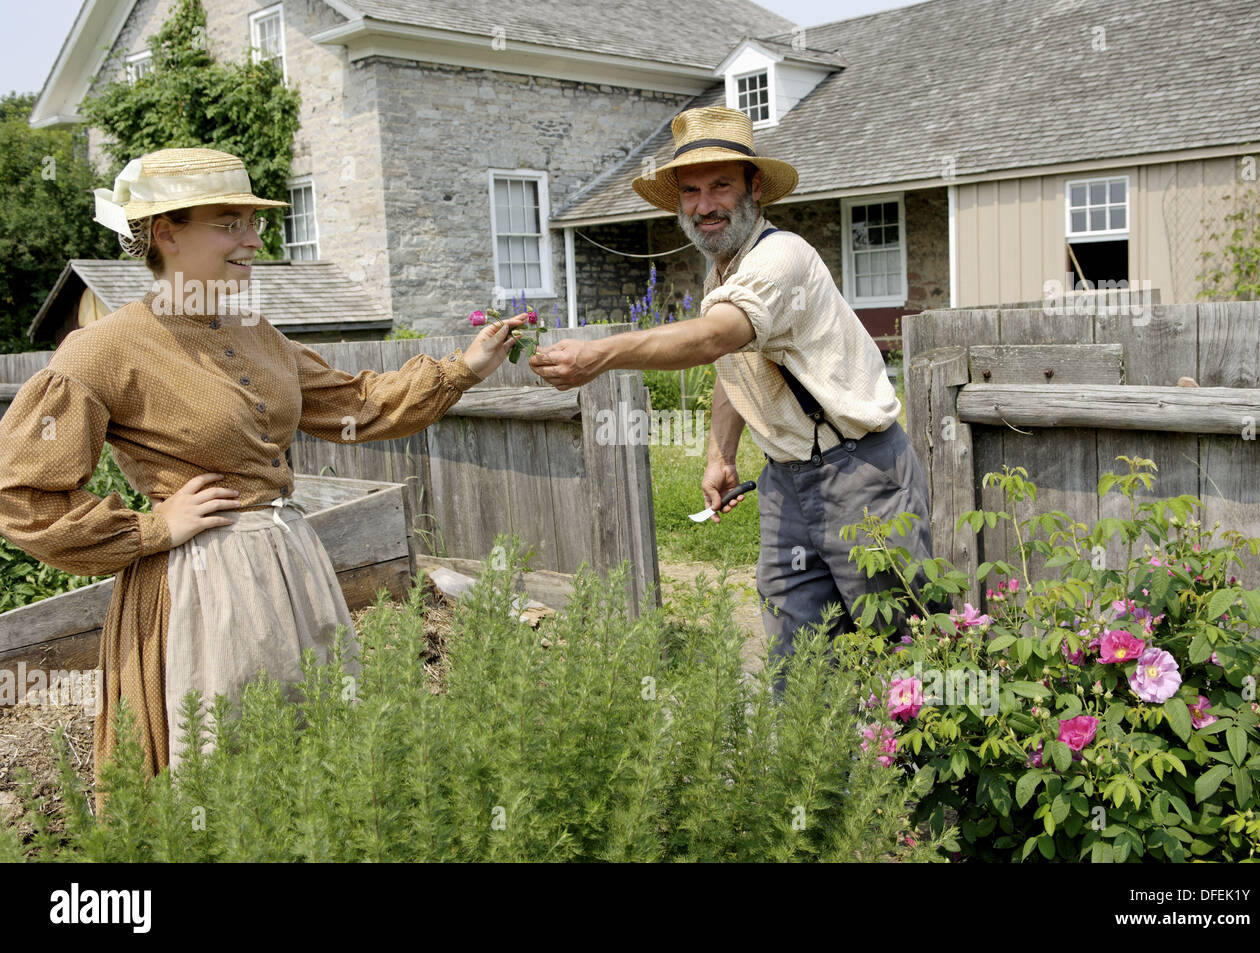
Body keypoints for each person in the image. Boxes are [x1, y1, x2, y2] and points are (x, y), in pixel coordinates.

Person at [0, 148, 529, 807]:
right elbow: (24, 497)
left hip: (292, 570)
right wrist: (152, 526)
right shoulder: (102, 349)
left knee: (319, 761)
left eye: (252, 222)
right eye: (231, 223)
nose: (253, 239)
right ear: (167, 232)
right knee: (229, 771)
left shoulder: (253, 329)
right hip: (200, 587)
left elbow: (350, 406)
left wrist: (465, 367)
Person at [530, 107, 935, 688]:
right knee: (798, 657)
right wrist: (721, 453)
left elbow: (716, 336)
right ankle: (818, 778)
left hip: (861, 477)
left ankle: (922, 773)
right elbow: (734, 361)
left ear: (756, 188)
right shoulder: (723, 273)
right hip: (786, 483)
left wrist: (601, 353)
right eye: (691, 191)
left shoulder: (781, 257)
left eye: (721, 184)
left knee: (902, 641)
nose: (705, 204)